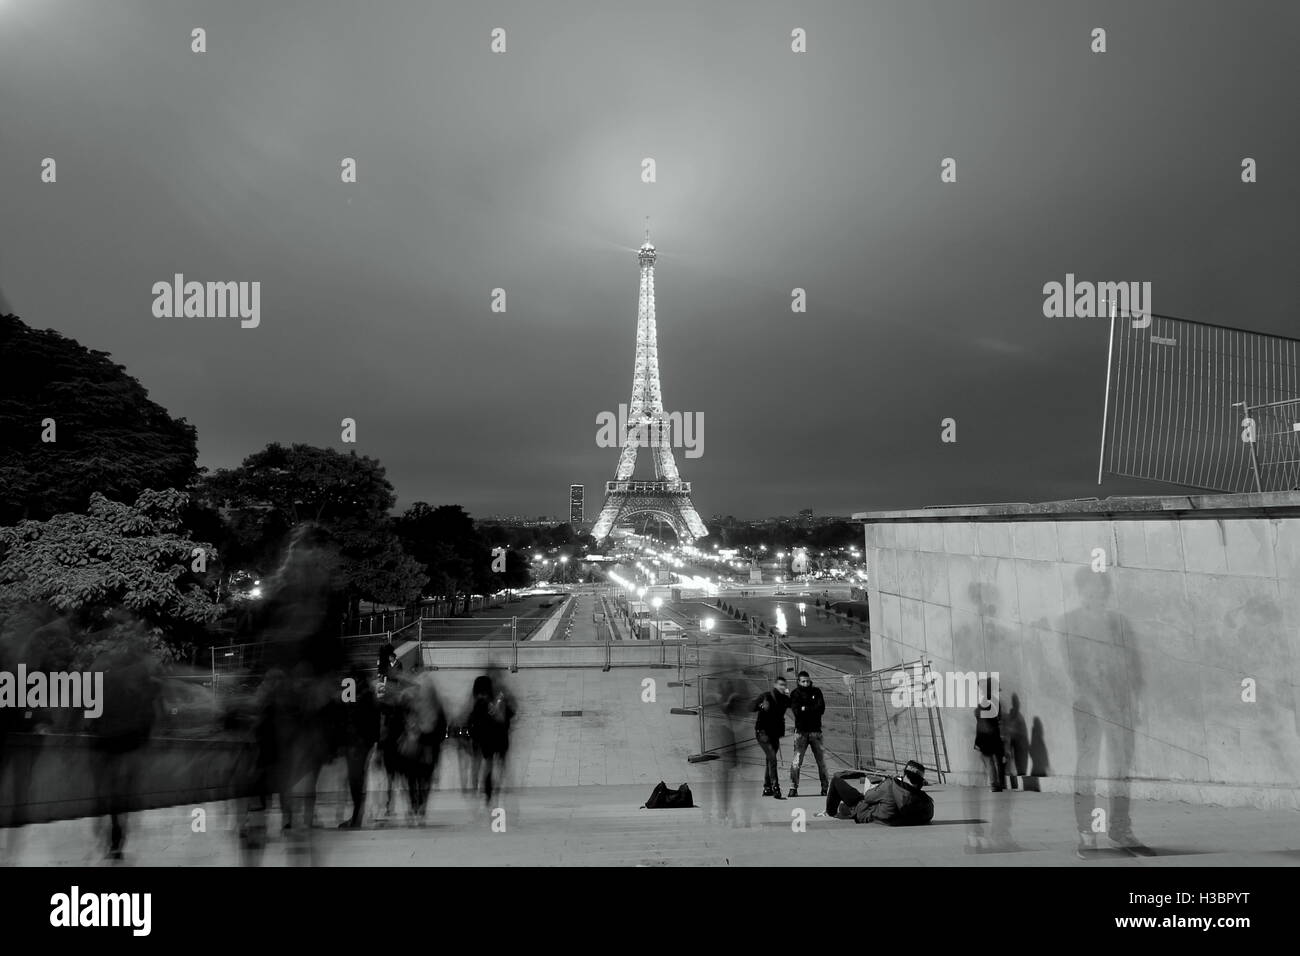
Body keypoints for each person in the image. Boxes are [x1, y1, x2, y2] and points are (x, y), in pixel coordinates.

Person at [819, 761, 934, 825]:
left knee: (836, 781)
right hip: (886, 814)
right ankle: (843, 809)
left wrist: (880, 785)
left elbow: (868, 797)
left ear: (905, 774)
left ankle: (831, 812)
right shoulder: (923, 799)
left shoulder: (890, 785)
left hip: (865, 810)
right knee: (850, 800)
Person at [787, 671, 828, 797]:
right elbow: (797, 712)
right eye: (803, 681)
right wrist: (810, 709)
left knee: (821, 762)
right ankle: (793, 787)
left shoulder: (816, 692)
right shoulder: (795, 694)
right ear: (798, 682)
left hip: (816, 732)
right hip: (801, 733)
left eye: (808, 681)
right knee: (796, 761)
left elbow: (821, 709)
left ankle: (825, 787)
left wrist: (805, 708)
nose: (806, 683)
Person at [752, 676, 791, 799]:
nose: (782, 687)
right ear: (775, 685)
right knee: (772, 758)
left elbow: (795, 704)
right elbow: (751, 707)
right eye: (780, 685)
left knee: (770, 760)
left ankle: (767, 788)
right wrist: (760, 706)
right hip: (762, 733)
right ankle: (776, 788)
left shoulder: (785, 699)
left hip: (775, 733)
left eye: (784, 685)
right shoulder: (766, 696)